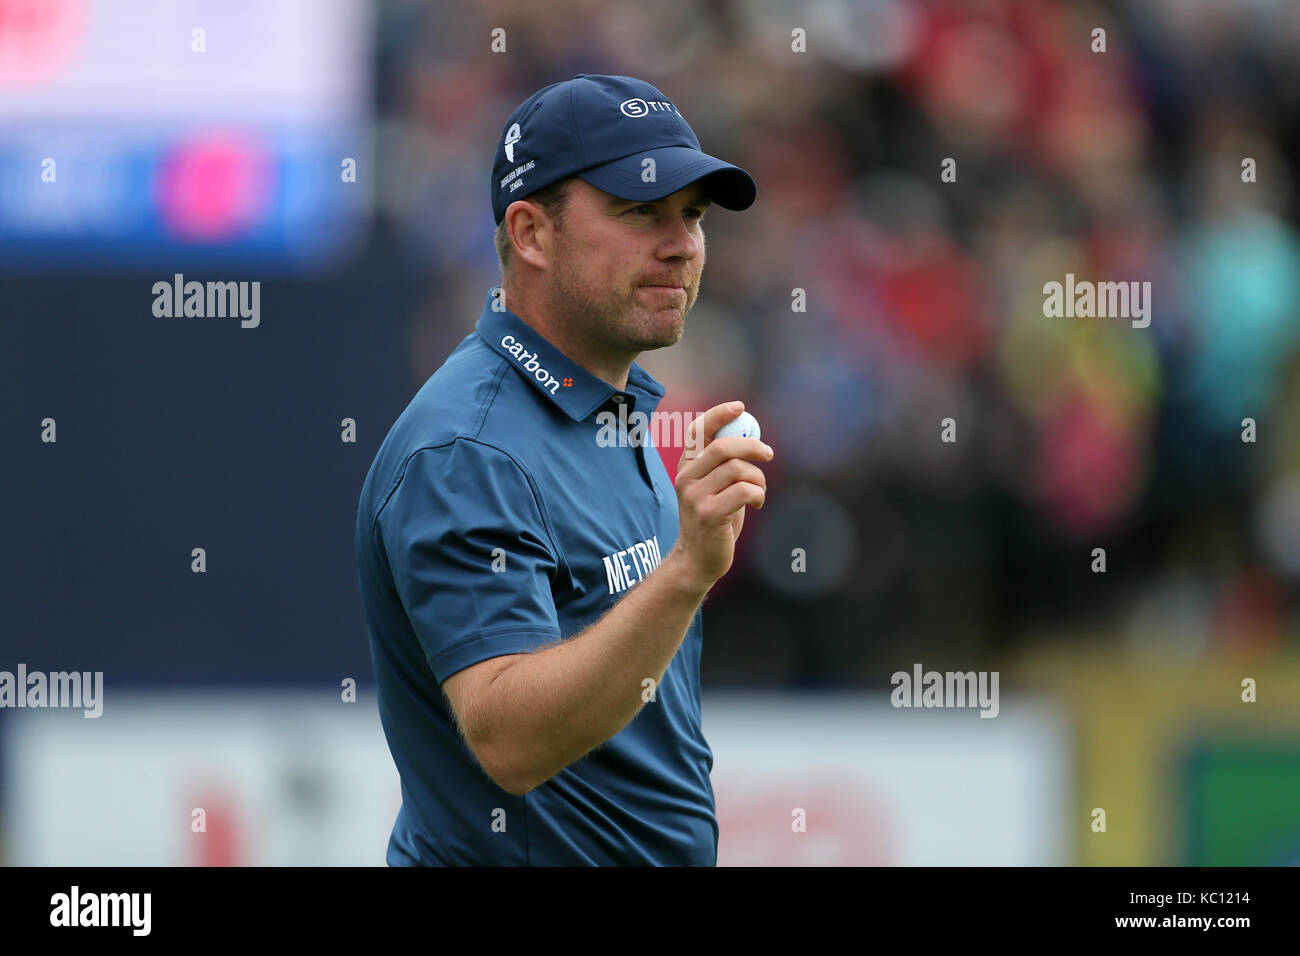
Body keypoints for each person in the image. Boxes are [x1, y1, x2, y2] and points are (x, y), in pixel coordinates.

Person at [355, 74, 771, 865]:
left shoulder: (615, 407)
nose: (680, 243)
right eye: (639, 211)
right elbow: (509, 739)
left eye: (692, 215)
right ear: (532, 233)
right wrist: (686, 572)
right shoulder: (468, 452)